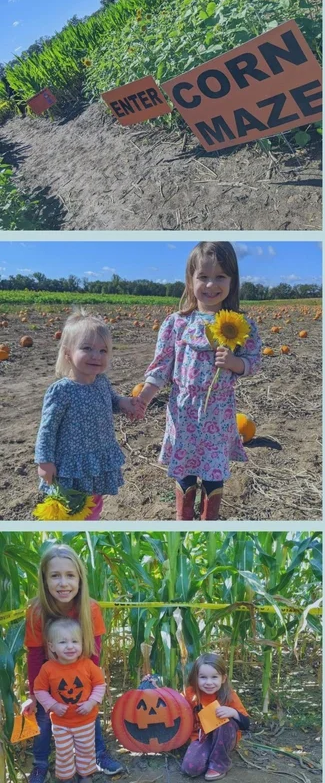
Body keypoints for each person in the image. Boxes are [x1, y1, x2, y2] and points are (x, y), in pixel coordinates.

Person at [134, 242, 262, 520]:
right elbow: (161, 367)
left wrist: (234, 363)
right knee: (185, 472)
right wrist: (143, 398)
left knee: (214, 475)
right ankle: (184, 519)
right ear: (190, 280)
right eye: (203, 276)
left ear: (233, 280)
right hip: (184, 412)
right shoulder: (176, 323)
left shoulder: (242, 324)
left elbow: (254, 361)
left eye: (220, 277)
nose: (211, 284)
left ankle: (209, 521)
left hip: (218, 413)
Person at [21, 545, 123, 783]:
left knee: (88, 712)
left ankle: (98, 755)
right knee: (44, 718)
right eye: (55, 576)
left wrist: (91, 685)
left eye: (70, 575)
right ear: (45, 580)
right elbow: (35, 654)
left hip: (81, 673)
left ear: (80, 579)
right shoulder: (36, 611)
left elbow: (94, 652)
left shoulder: (90, 609)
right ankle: (40, 764)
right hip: (49, 675)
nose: (63, 583)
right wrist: (36, 694)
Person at [34, 310, 142, 519]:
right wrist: (44, 461)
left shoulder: (101, 382)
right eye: (87, 348)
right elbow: (47, 430)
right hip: (71, 465)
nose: (96, 356)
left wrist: (126, 403)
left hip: (97, 457)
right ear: (67, 353)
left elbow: (112, 402)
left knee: (94, 503)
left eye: (103, 350)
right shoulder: (62, 390)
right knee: (73, 507)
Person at [32, 618, 107, 783]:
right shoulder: (48, 669)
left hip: (85, 721)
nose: (70, 646)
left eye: (75, 641)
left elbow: (100, 685)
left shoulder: (87, 665)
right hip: (61, 723)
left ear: (82, 644)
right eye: (63, 642)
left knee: (86, 749)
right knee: (63, 751)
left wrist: (91, 702)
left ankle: (85, 774)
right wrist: (53, 705)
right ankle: (66, 777)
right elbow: (39, 690)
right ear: (52, 647)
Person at [182, 653, 251, 781]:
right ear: (195, 678)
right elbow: (171, 704)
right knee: (191, 768)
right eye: (203, 677)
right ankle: (209, 756)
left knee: (223, 720)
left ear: (223, 678)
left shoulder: (228, 695)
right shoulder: (190, 694)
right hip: (201, 737)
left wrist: (233, 712)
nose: (209, 682)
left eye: (214, 677)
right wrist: (153, 687)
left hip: (224, 736)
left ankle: (219, 765)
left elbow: (246, 724)